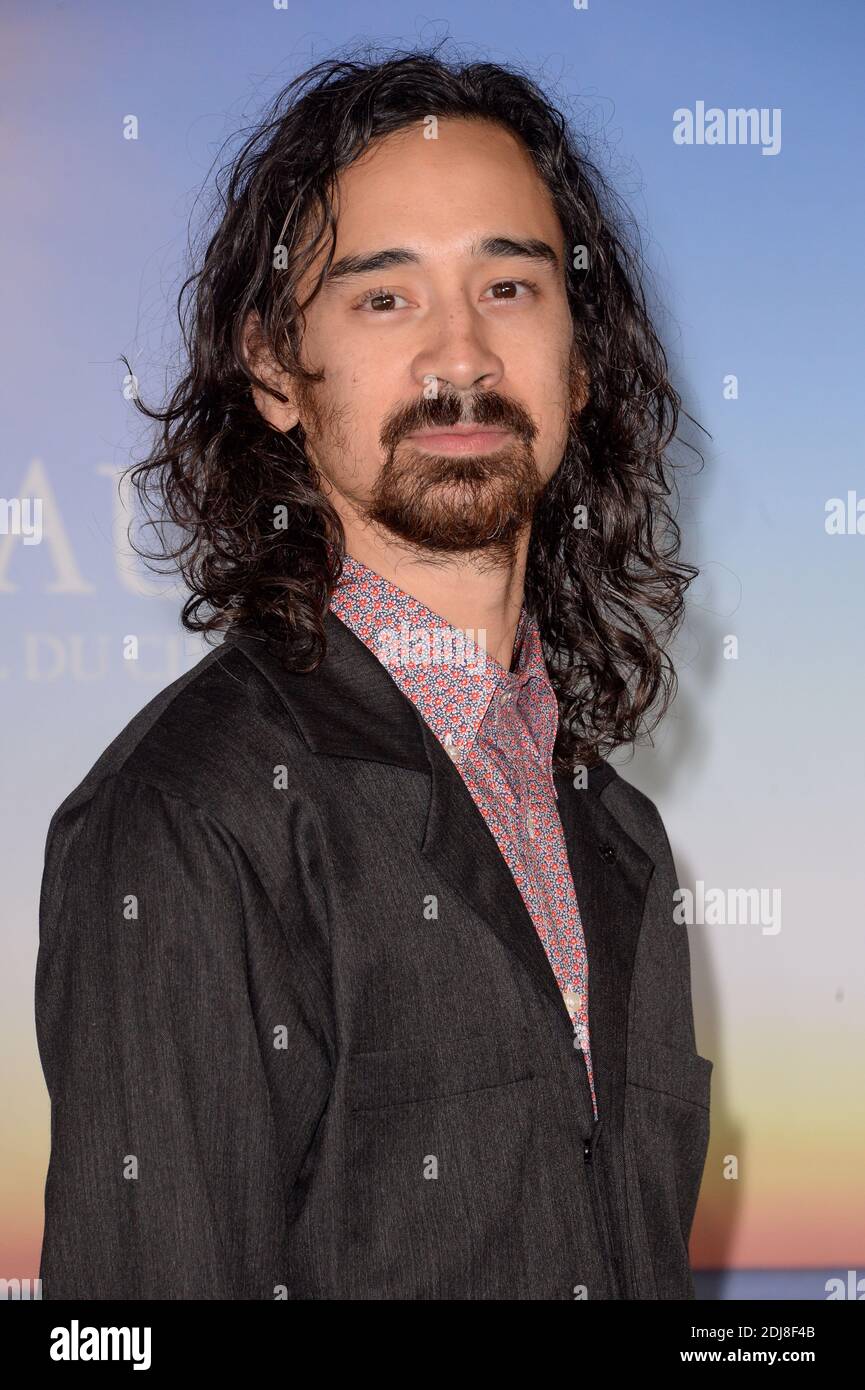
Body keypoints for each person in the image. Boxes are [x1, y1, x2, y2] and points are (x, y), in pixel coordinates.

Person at [36, 47, 712, 1300]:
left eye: (509, 286)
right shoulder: (187, 818)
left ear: (579, 359)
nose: (460, 356)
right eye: (384, 299)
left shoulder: (619, 838)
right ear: (277, 371)